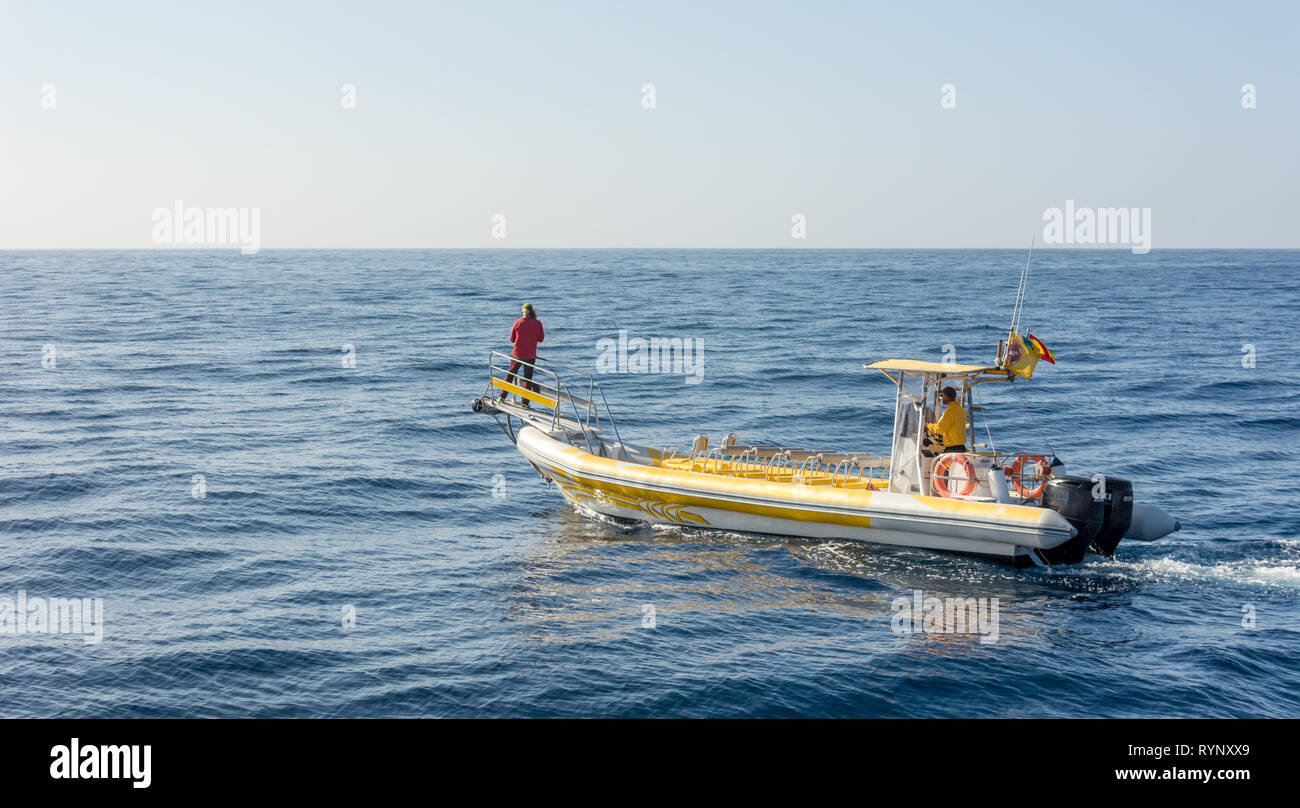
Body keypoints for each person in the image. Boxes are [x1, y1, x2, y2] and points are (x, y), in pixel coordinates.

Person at [499, 302, 544, 408]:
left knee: (510, 376)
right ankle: (525, 403)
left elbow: (512, 339)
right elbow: (541, 339)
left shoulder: (517, 322)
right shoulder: (538, 324)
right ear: (532, 311)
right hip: (530, 356)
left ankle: (502, 397)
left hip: (517, 355)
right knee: (527, 379)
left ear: (522, 311)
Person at [926, 386, 967, 453]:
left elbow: (940, 429)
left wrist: (928, 426)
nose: (941, 398)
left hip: (952, 449)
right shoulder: (961, 410)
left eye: (942, 395)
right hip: (961, 448)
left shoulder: (949, 411)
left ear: (947, 397)